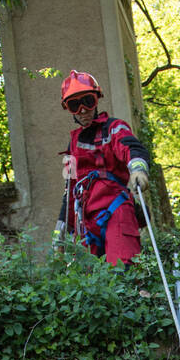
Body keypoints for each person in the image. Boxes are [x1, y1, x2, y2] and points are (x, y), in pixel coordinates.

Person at [52, 70, 150, 266]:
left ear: (96, 100)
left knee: (123, 271)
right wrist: (60, 232)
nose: (82, 110)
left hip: (116, 212)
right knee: (91, 284)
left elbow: (131, 147)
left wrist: (138, 169)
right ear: (68, 109)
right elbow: (69, 191)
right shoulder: (72, 146)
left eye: (87, 101)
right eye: (74, 105)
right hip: (86, 223)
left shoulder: (113, 128)